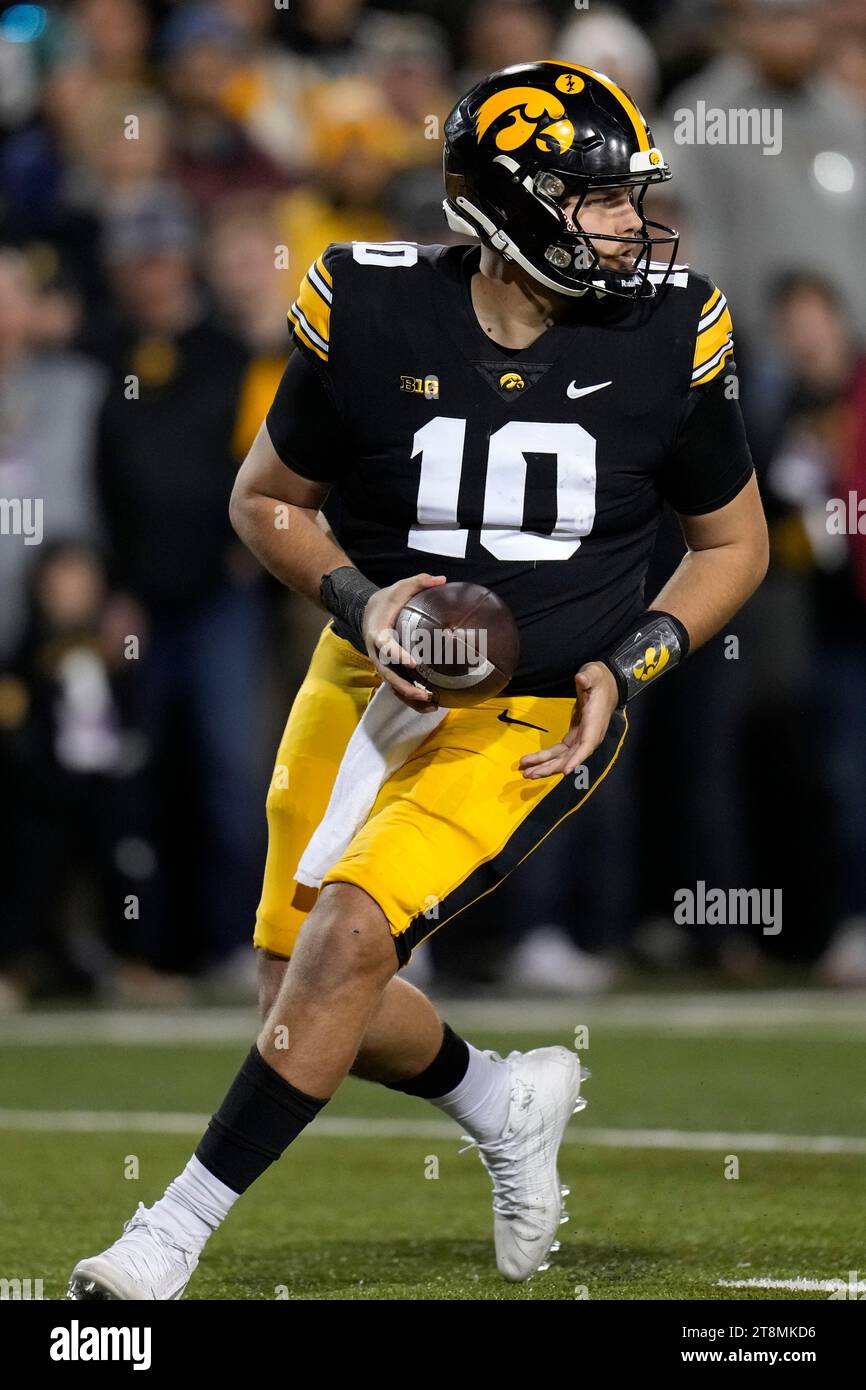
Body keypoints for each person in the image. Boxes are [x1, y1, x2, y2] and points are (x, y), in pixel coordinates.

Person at [68, 60, 768, 1300]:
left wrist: (633, 656)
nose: (628, 226)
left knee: (344, 947)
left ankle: (166, 1235)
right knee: (301, 990)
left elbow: (732, 544)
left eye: (626, 199)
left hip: (542, 705)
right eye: (596, 199)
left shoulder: (669, 332)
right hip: (367, 676)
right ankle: (500, 1096)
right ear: (505, 206)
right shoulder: (374, 306)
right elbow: (265, 501)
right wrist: (363, 596)